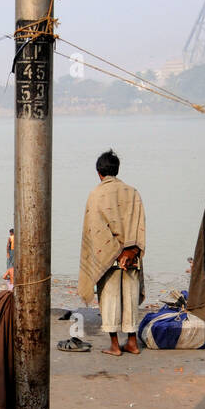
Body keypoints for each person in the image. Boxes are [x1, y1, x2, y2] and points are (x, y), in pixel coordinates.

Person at [78, 149, 146, 357]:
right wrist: (131, 251)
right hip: (132, 256)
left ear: (99, 172)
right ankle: (132, 343)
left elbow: (95, 228)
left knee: (109, 300)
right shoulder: (133, 192)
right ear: (116, 170)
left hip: (109, 259)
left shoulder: (96, 194)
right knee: (130, 299)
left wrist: (115, 253)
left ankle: (115, 346)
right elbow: (139, 224)